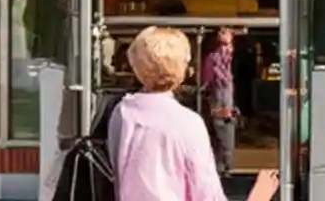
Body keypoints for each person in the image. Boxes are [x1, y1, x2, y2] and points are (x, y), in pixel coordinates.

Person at [108, 25, 280, 201]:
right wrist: (259, 195)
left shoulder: (121, 113)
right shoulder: (188, 123)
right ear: (182, 69)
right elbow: (207, 195)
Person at [201, 26, 238, 178]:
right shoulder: (213, 57)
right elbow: (209, 79)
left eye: (225, 32)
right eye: (220, 32)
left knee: (225, 130)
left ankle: (225, 165)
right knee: (221, 129)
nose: (221, 35)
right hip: (220, 97)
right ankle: (223, 165)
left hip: (226, 97)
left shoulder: (228, 55)